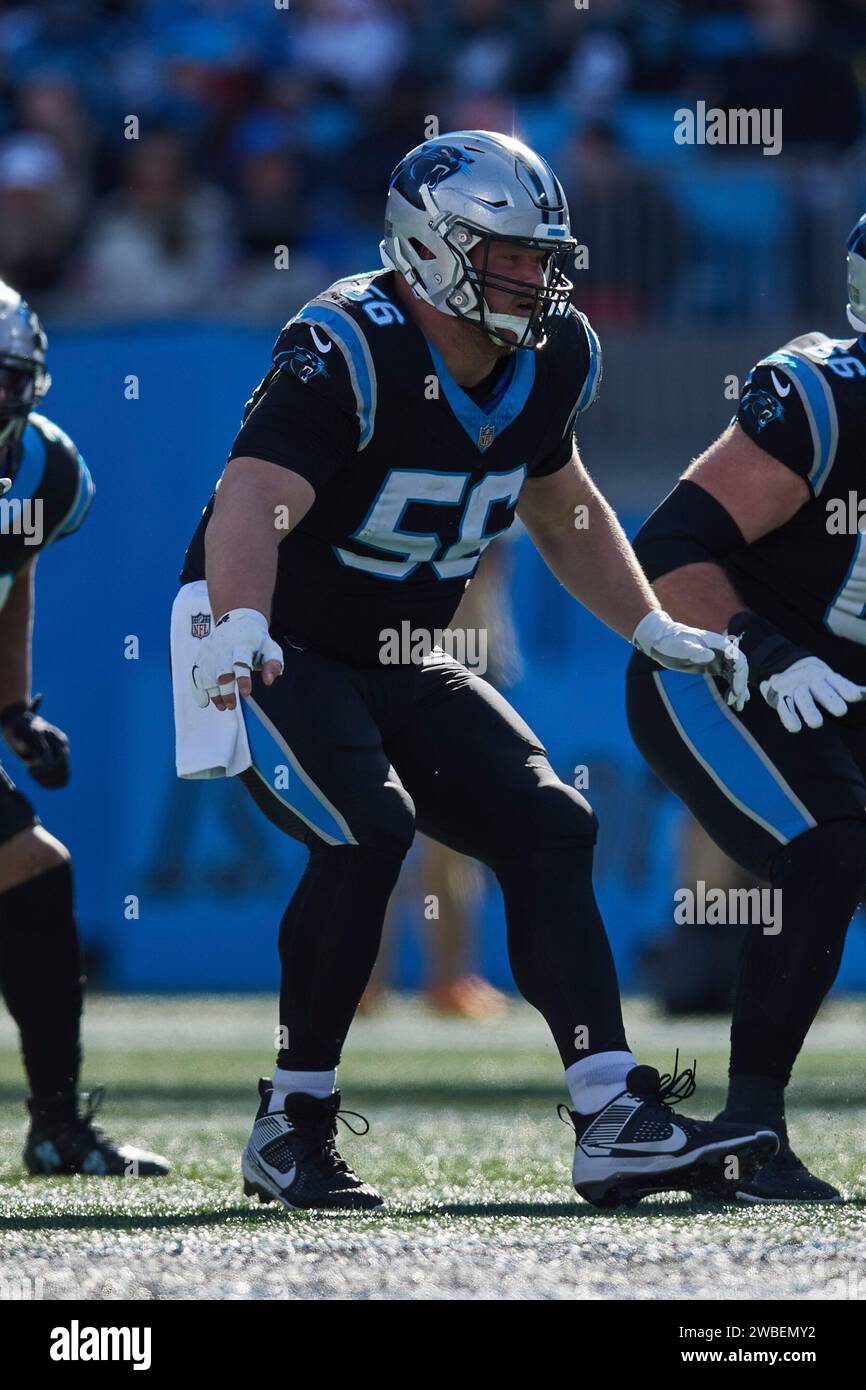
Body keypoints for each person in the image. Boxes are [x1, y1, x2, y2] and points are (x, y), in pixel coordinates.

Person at [175, 131, 775, 1211]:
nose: (531, 278)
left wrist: (644, 623)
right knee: (367, 827)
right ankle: (291, 1124)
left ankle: (611, 1116)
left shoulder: (553, 356)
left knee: (551, 820)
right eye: (503, 256)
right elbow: (251, 495)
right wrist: (240, 625)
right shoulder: (348, 340)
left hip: (403, 653)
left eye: (539, 256)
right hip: (272, 644)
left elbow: (561, 502)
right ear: (428, 247)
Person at [626, 211, 866, 1203]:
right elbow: (668, 545)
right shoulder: (824, 397)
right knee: (826, 845)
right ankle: (746, 1129)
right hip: (719, 667)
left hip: (840, 687)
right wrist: (759, 647)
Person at [0, 283, 168, 1177]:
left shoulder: (46, 470)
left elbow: (12, 574)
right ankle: (57, 1127)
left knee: (33, 868)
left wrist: (13, 707)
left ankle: (57, 1126)